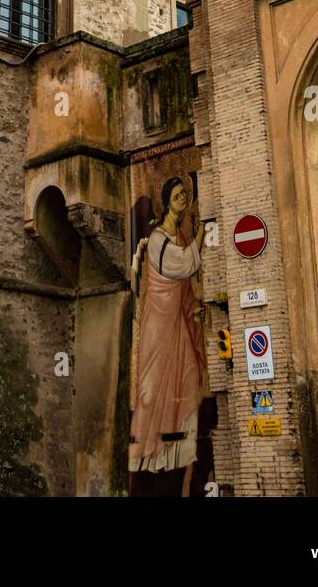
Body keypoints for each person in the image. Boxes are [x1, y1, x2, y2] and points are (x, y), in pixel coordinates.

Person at [129, 176, 206, 477]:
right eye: (177, 196)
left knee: (187, 377)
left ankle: (175, 453)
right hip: (157, 325)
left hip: (178, 322)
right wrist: (202, 231)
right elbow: (183, 265)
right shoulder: (159, 239)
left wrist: (194, 309)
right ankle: (144, 454)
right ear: (166, 203)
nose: (183, 200)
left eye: (185, 195)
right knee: (149, 391)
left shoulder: (183, 238)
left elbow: (186, 286)